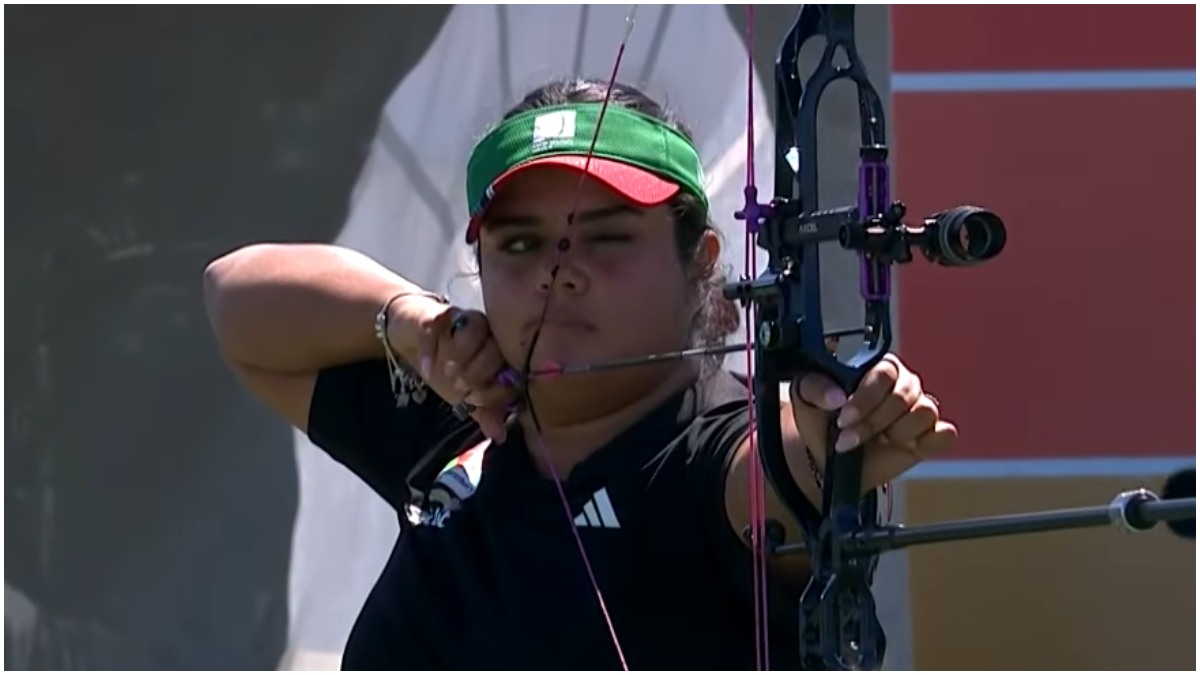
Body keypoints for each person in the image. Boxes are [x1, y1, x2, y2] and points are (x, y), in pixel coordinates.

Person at [203, 77, 955, 670]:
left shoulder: (714, 450)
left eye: (607, 238)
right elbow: (234, 298)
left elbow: (785, 478)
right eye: (522, 245)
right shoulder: (458, 413)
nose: (558, 274)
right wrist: (412, 320)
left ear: (700, 263)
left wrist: (840, 441)